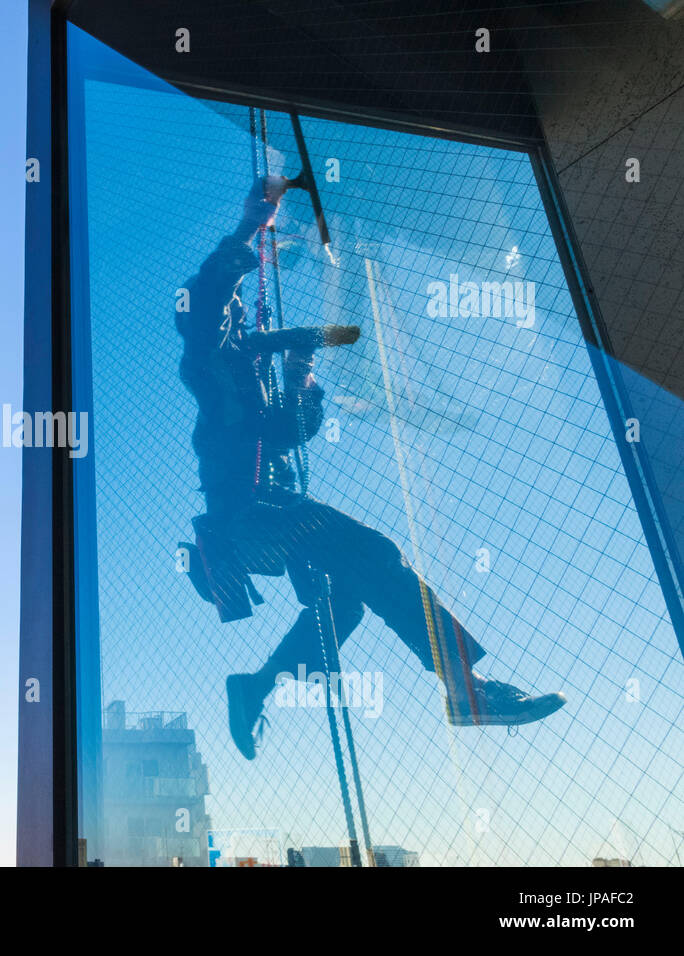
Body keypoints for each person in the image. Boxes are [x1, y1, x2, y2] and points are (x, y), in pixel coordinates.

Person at [177, 175, 566, 760]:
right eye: (233, 312)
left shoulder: (242, 377)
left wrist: (301, 376)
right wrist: (248, 226)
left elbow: (287, 433)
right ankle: (465, 691)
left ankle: (256, 686)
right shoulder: (207, 363)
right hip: (250, 519)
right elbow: (208, 298)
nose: (240, 319)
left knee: (343, 602)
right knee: (377, 556)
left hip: (267, 516)